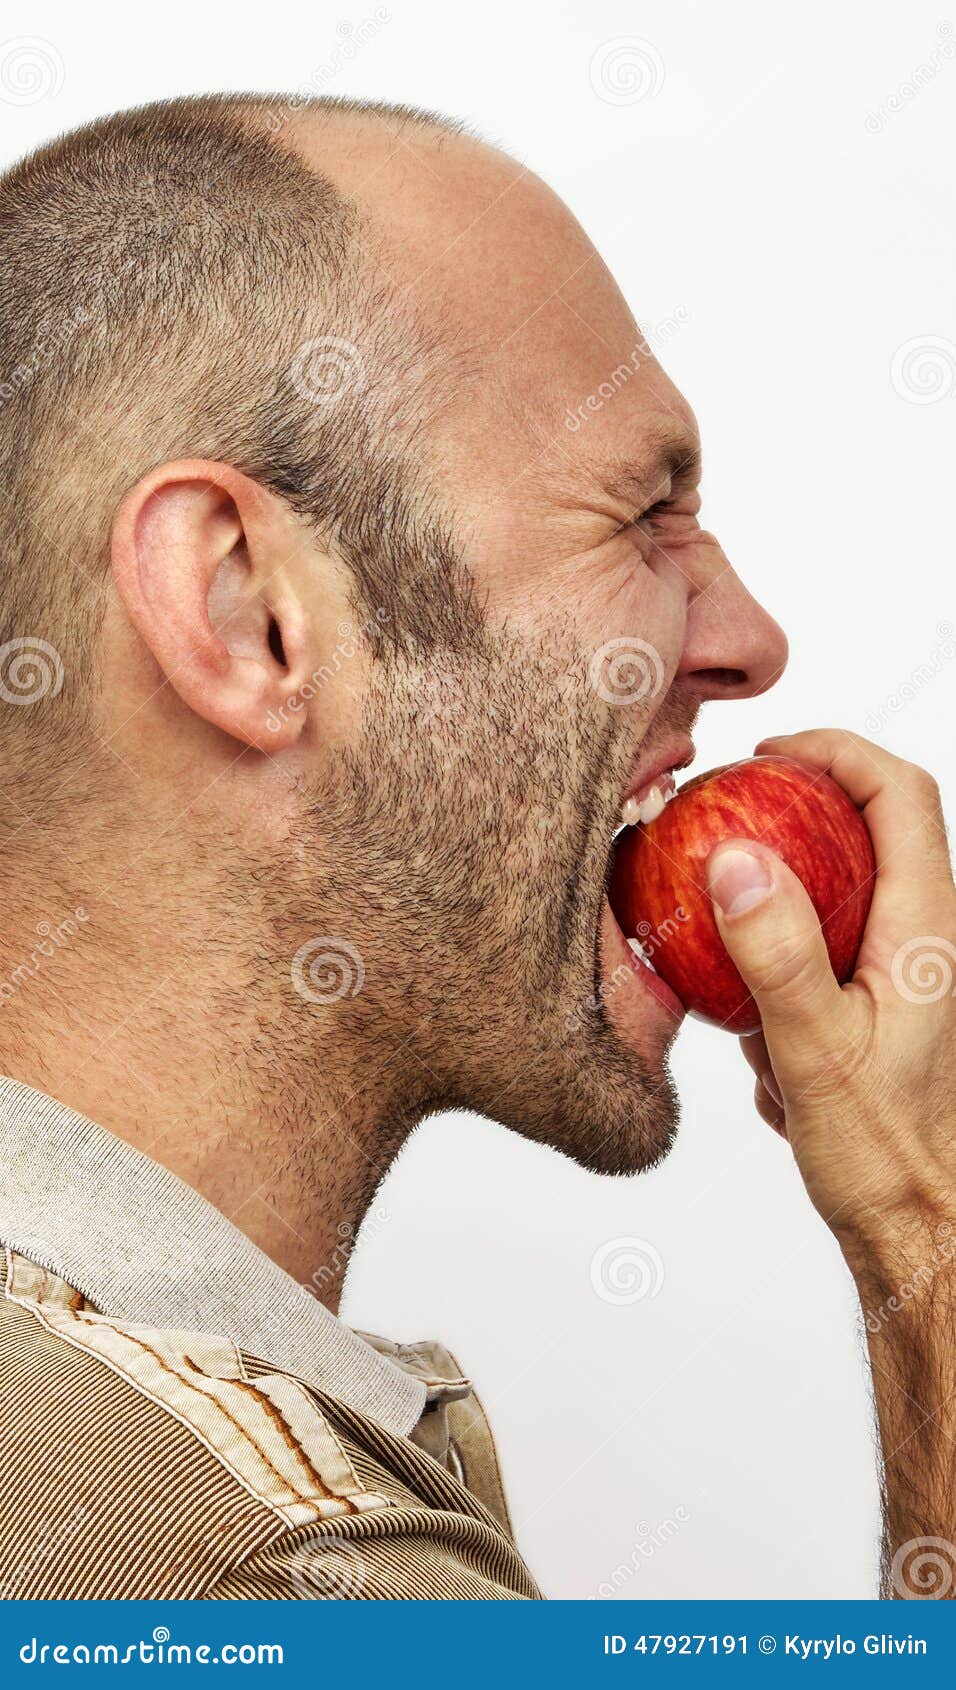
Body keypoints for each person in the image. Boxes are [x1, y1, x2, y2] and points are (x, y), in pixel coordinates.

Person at [0, 93, 952, 1601]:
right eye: (647, 516)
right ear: (250, 613)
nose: (752, 643)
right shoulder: (279, 1564)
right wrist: (929, 1228)